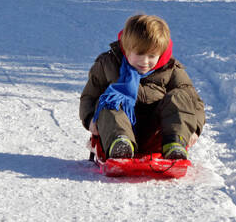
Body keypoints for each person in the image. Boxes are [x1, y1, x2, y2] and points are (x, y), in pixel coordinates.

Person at [79, 13, 205, 161]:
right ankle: (121, 146)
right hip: (115, 129)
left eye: (152, 56)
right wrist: (90, 120)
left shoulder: (171, 69)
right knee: (109, 101)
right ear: (127, 47)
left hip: (157, 132)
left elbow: (194, 102)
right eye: (139, 53)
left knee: (181, 96)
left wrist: (195, 129)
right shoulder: (108, 64)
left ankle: (174, 145)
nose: (145, 61)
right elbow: (89, 96)